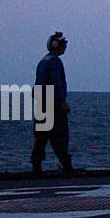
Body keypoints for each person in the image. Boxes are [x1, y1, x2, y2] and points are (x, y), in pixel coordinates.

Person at [31, 31, 74, 176]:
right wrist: (62, 102)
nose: (65, 48)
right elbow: (57, 83)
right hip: (53, 105)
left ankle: (36, 166)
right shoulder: (55, 61)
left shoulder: (43, 61)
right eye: (63, 45)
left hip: (41, 104)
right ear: (57, 45)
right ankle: (66, 166)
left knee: (41, 137)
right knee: (60, 137)